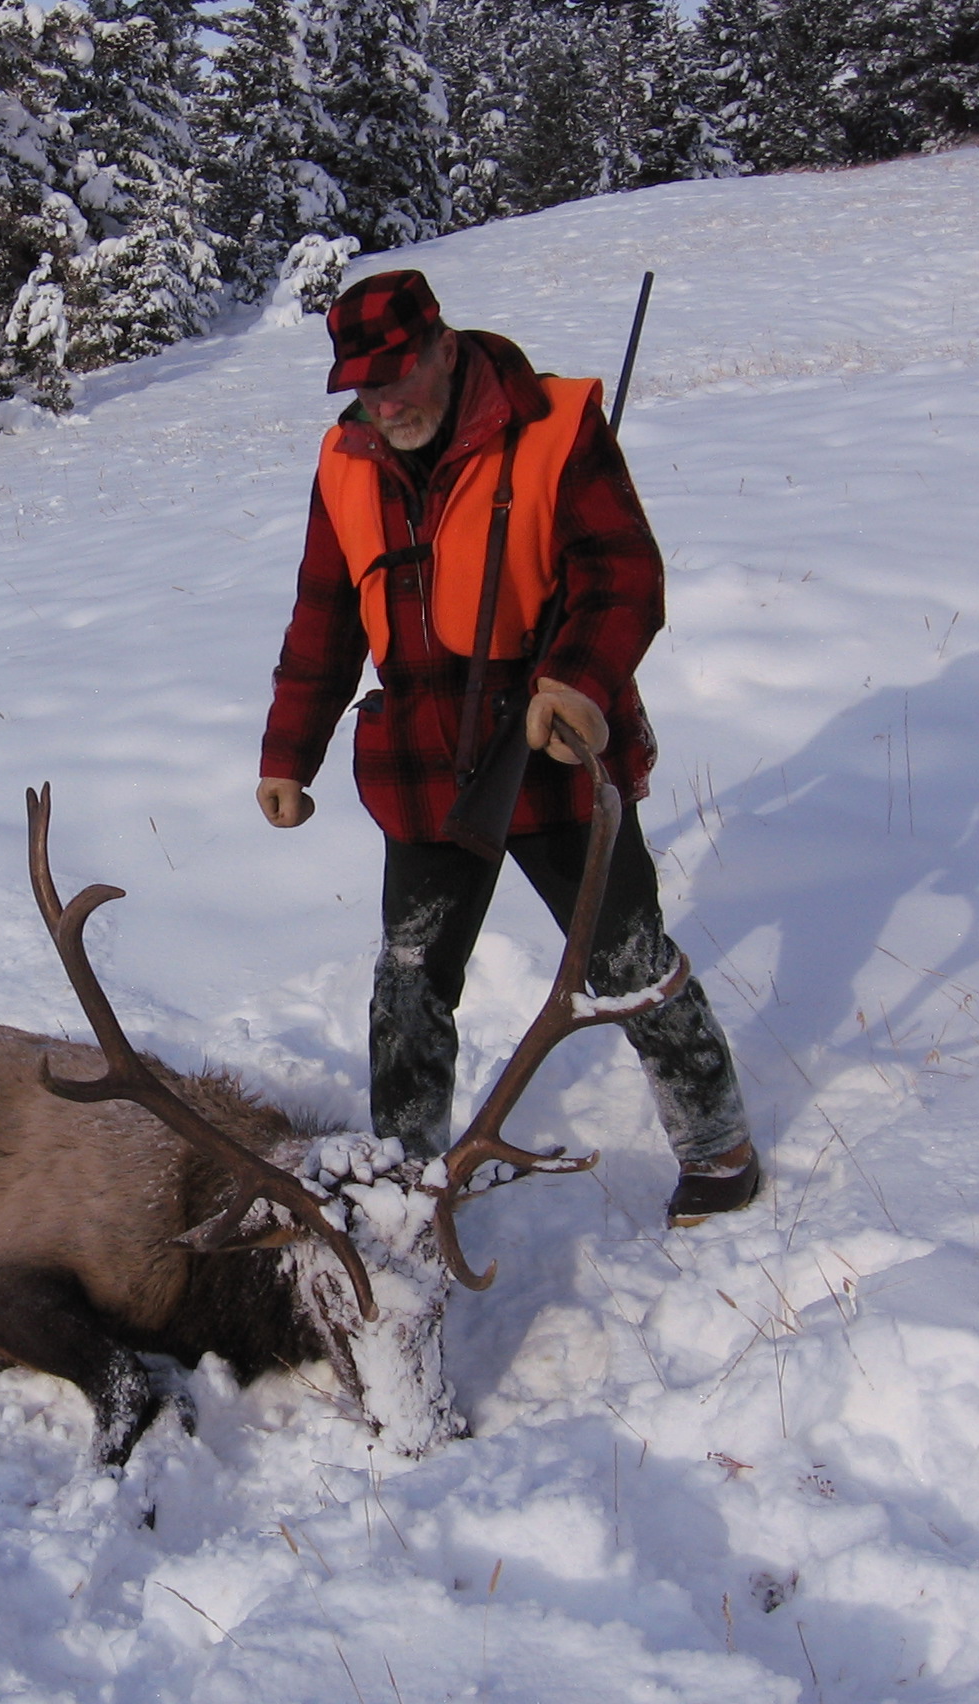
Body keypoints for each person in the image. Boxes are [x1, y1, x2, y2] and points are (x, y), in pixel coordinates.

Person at [255, 269, 759, 1225]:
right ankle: (405, 1186)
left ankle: (718, 1147)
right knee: (409, 979)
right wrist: (289, 750)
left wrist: (576, 679)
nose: (388, 400)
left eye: (402, 373)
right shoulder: (346, 462)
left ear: (444, 346)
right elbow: (324, 617)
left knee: (626, 961)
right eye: (367, 385)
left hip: (550, 745)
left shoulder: (554, 430)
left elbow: (623, 574)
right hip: (421, 762)